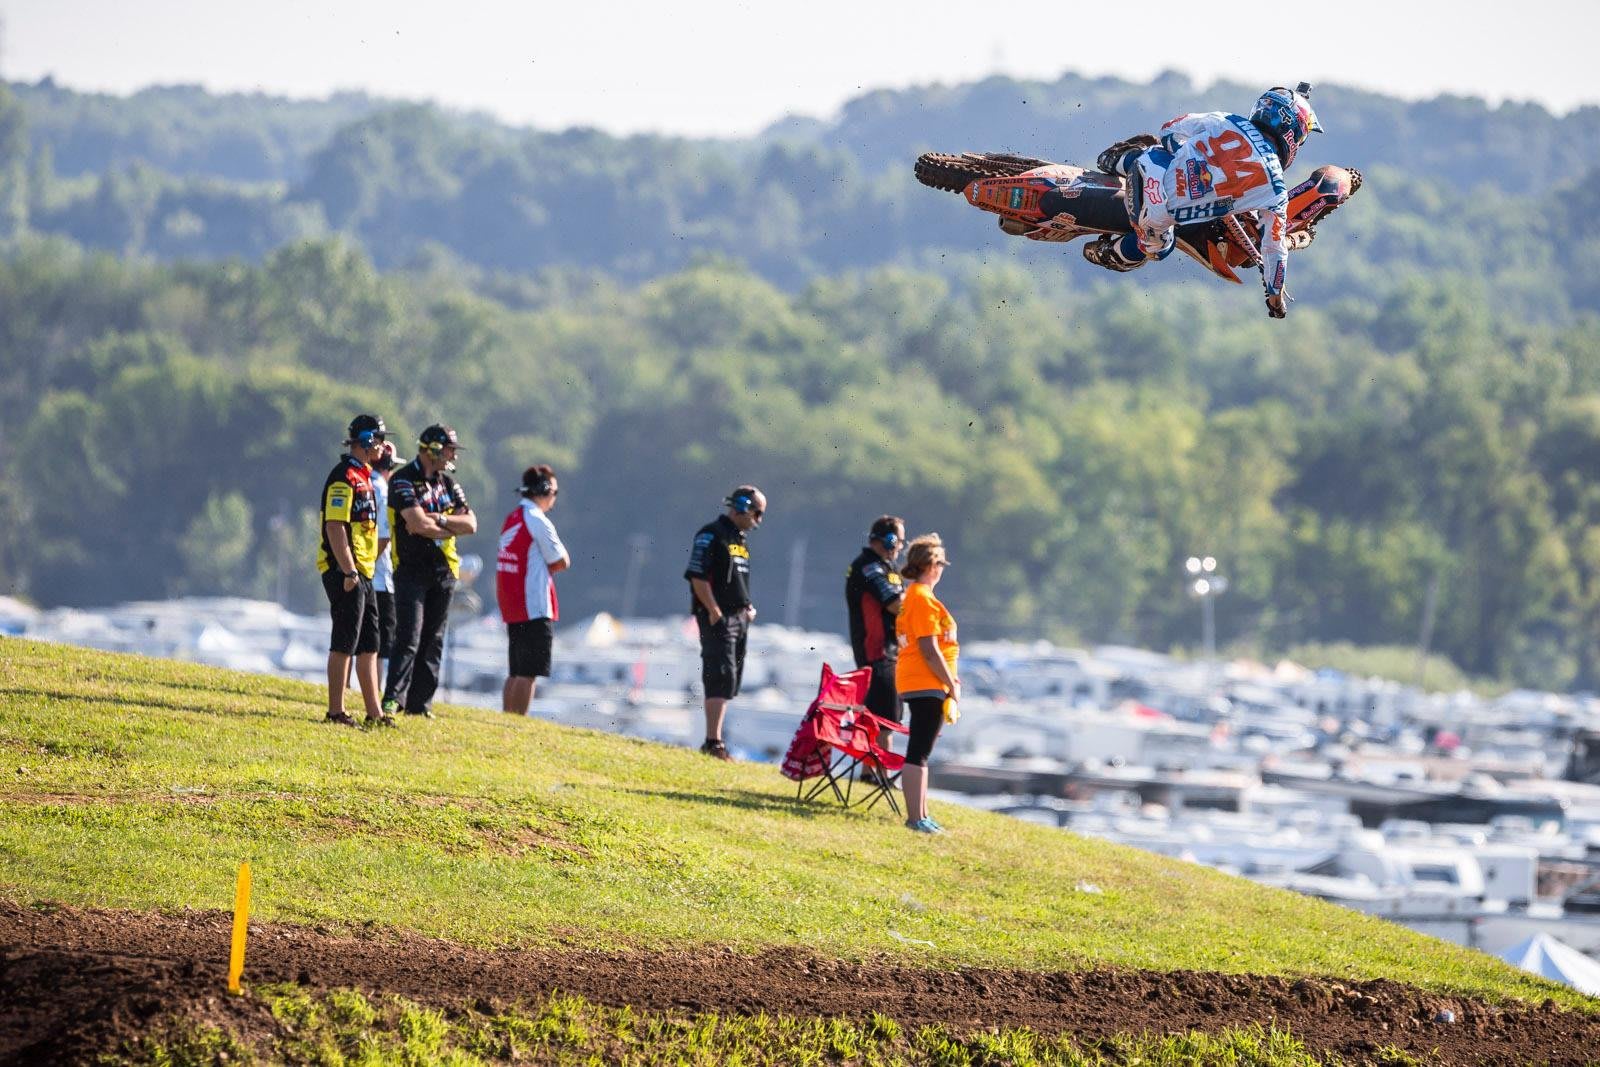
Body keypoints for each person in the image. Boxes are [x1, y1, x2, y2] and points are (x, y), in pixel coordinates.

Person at [1081, 83, 1323, 320]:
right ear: (1293, 134)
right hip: (1154, 215)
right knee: (1158, 249)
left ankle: (1112, 160)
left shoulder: (1228, 120)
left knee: (1156, 148)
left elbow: (1169, 129)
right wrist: (1275, 296)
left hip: (1146, 167)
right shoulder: (1276, 189)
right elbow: (1274, 248)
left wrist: (1189, 156)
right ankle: (1109, 253)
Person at [381, 424, 477, 719]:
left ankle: (420, 705)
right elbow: (414, 523)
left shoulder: (449, 485)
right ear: (433, 449)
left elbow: (471, 524)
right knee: (408, 636)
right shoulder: (402, 481)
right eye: (449, 450)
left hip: (444, 571)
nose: (452, 457)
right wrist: (448, 524)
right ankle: (392, 700)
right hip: (410, 569)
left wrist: (437, 519)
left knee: (433, 640)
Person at [316, 414, 392, 728]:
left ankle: (375, 712)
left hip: (364, 571)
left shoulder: (365, 476)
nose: (385, 446)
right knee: (344, 641)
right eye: (381, 439)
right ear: (366, 441)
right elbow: (335, 526)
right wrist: (348, 571)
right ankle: (336, 711)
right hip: (345, 570)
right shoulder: (344, 477)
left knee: (370, 644)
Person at [684, 484, 766, 760]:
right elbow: (697, 576)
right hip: (718, 617)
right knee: (719, 676)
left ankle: (717, 739)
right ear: (742, 506)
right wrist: (714, 610)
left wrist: (747, 607)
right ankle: (713, 741)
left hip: (739, 617)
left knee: (730, 679)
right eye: (757, 512)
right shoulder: (711, 534)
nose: (759, 520)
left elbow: (737, 580)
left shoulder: (740, 539)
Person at [895, 534, 959, 834]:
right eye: (941, 564)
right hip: (926, 680)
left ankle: (921, 814)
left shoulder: (919, 596)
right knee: (918, 751)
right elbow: (929, 650)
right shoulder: (921, 598)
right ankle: (915, 818)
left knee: (921, 751)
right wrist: (951, 684)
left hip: (923, 680)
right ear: (932, 565)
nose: (942, 569)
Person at [495, 464, 570, 714]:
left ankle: (508, 719)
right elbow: (560, 560)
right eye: (554, 493)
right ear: (544, 490)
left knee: (515, 671)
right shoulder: (538, 519)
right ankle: (518, 723)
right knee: (528, 673)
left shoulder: (513, 517)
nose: (554, 499)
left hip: (514, 603)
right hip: (534, 604)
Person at [845, 515, 907, 734]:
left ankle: (872, 769)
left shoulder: (887, 567)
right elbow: (895, 605)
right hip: (877, 653)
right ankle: (873, 769)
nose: (901, 546)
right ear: (889, 540)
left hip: (891, 653)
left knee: (887, 722)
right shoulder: (869, 567)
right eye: (899, 541)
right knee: (882, 725)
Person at [370, 439, 399, 675]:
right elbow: (384, 535)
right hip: (377, 578)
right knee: (378, 647)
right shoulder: (382, 489)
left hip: (357, 572)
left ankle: (349, 689)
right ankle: (374, 694)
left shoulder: (358, 482)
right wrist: (368, 565)